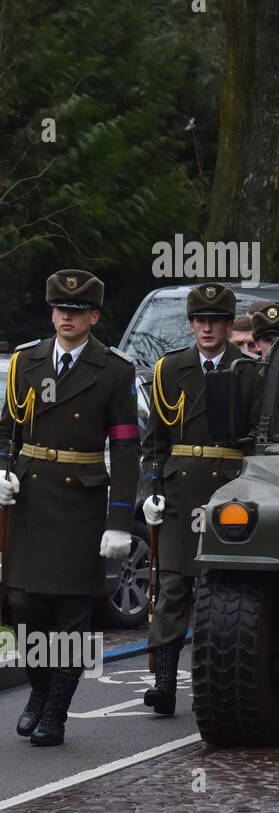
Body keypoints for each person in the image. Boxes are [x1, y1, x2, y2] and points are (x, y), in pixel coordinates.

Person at [0, 270, 139, 745]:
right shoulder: (26, 362)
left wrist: (119, 519)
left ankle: (56, 708)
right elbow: (7, 430)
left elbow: (124, 448)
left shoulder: (116, 371)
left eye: (77, 311)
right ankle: (39, 691)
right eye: (60, 309)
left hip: (79, 500)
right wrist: (1, 471)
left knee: (70, 609)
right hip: (31, 496)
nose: (67, 317)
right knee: (22, 604)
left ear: (94, 317)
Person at [140, 283, 258, 715]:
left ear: (228, 325)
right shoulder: (169, 370)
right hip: (179, 489)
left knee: (222, 588)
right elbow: (154, 442)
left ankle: (222, 679)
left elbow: (258, 442)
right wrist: (150, 489)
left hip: (228, 491)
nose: (207, 328)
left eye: (215, 321)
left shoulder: (249, 373)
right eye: (200, 320)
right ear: (190, 325)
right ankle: (164, 683)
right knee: (173, 586)